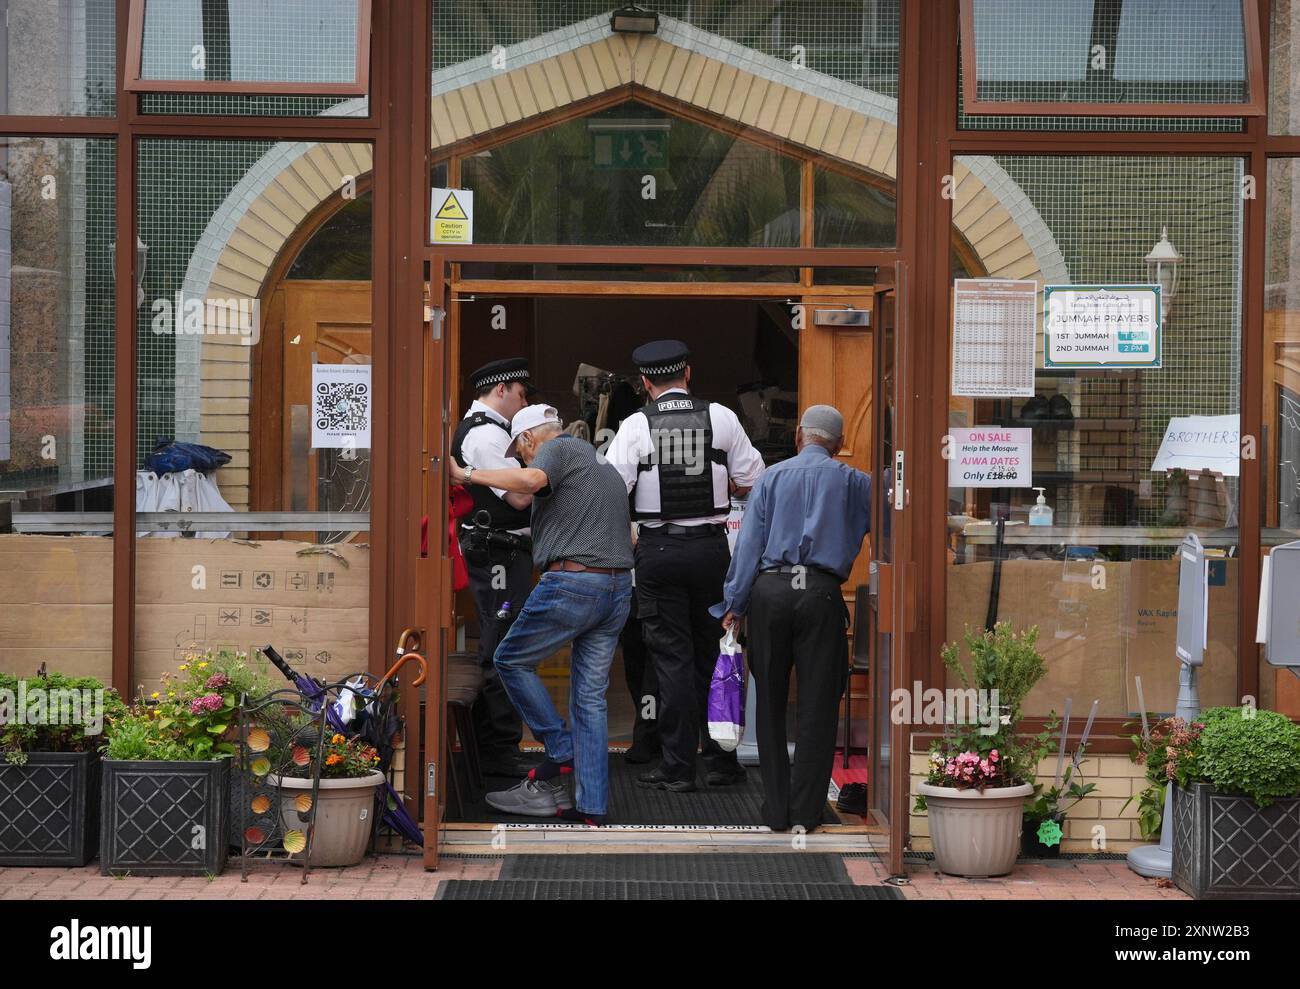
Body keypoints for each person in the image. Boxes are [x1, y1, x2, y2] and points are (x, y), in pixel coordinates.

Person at [449, 404, 634, 825]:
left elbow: (530, 481)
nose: (522, 458)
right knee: (589, 698)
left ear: (531, 438)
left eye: (520, 451)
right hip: (616, 588)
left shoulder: (559, 448)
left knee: (510, 658)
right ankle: (592, 807)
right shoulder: (601, 466)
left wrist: (467, 475)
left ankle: (559, 747)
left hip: (574, 583)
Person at [605, 340, 766, 791]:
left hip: (658, 553)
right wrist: (724, 486)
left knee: (671, 660)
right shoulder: (722, 417)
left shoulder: (636, 425)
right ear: (688, 374)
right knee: (713, 656)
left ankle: (677, 766)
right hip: (712, 551)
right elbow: (755, 480)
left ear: (645, 382)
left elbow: (612, 490)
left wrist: (634, 529)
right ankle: (720, 761)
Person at [716, 405, 871, 833]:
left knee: (769, 701)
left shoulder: (771, 477)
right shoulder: (857, 483)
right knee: (819, 706)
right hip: (820, 593)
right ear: (839, 445)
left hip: (770, 592)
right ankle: (807, 812)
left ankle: (777, 810)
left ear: (799, 434)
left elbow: (749, 546)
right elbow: (890, 532)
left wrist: (735, 603)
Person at [450, 358, 534, 778]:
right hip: (498, 552)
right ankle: (499, 747)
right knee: (504, 643)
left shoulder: (490, 431)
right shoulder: (486, 435)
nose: (524, 403)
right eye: (521, 394)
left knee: (502, 638)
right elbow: (519, 498)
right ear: (501, 389)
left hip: (502, 551)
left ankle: (494, 744)